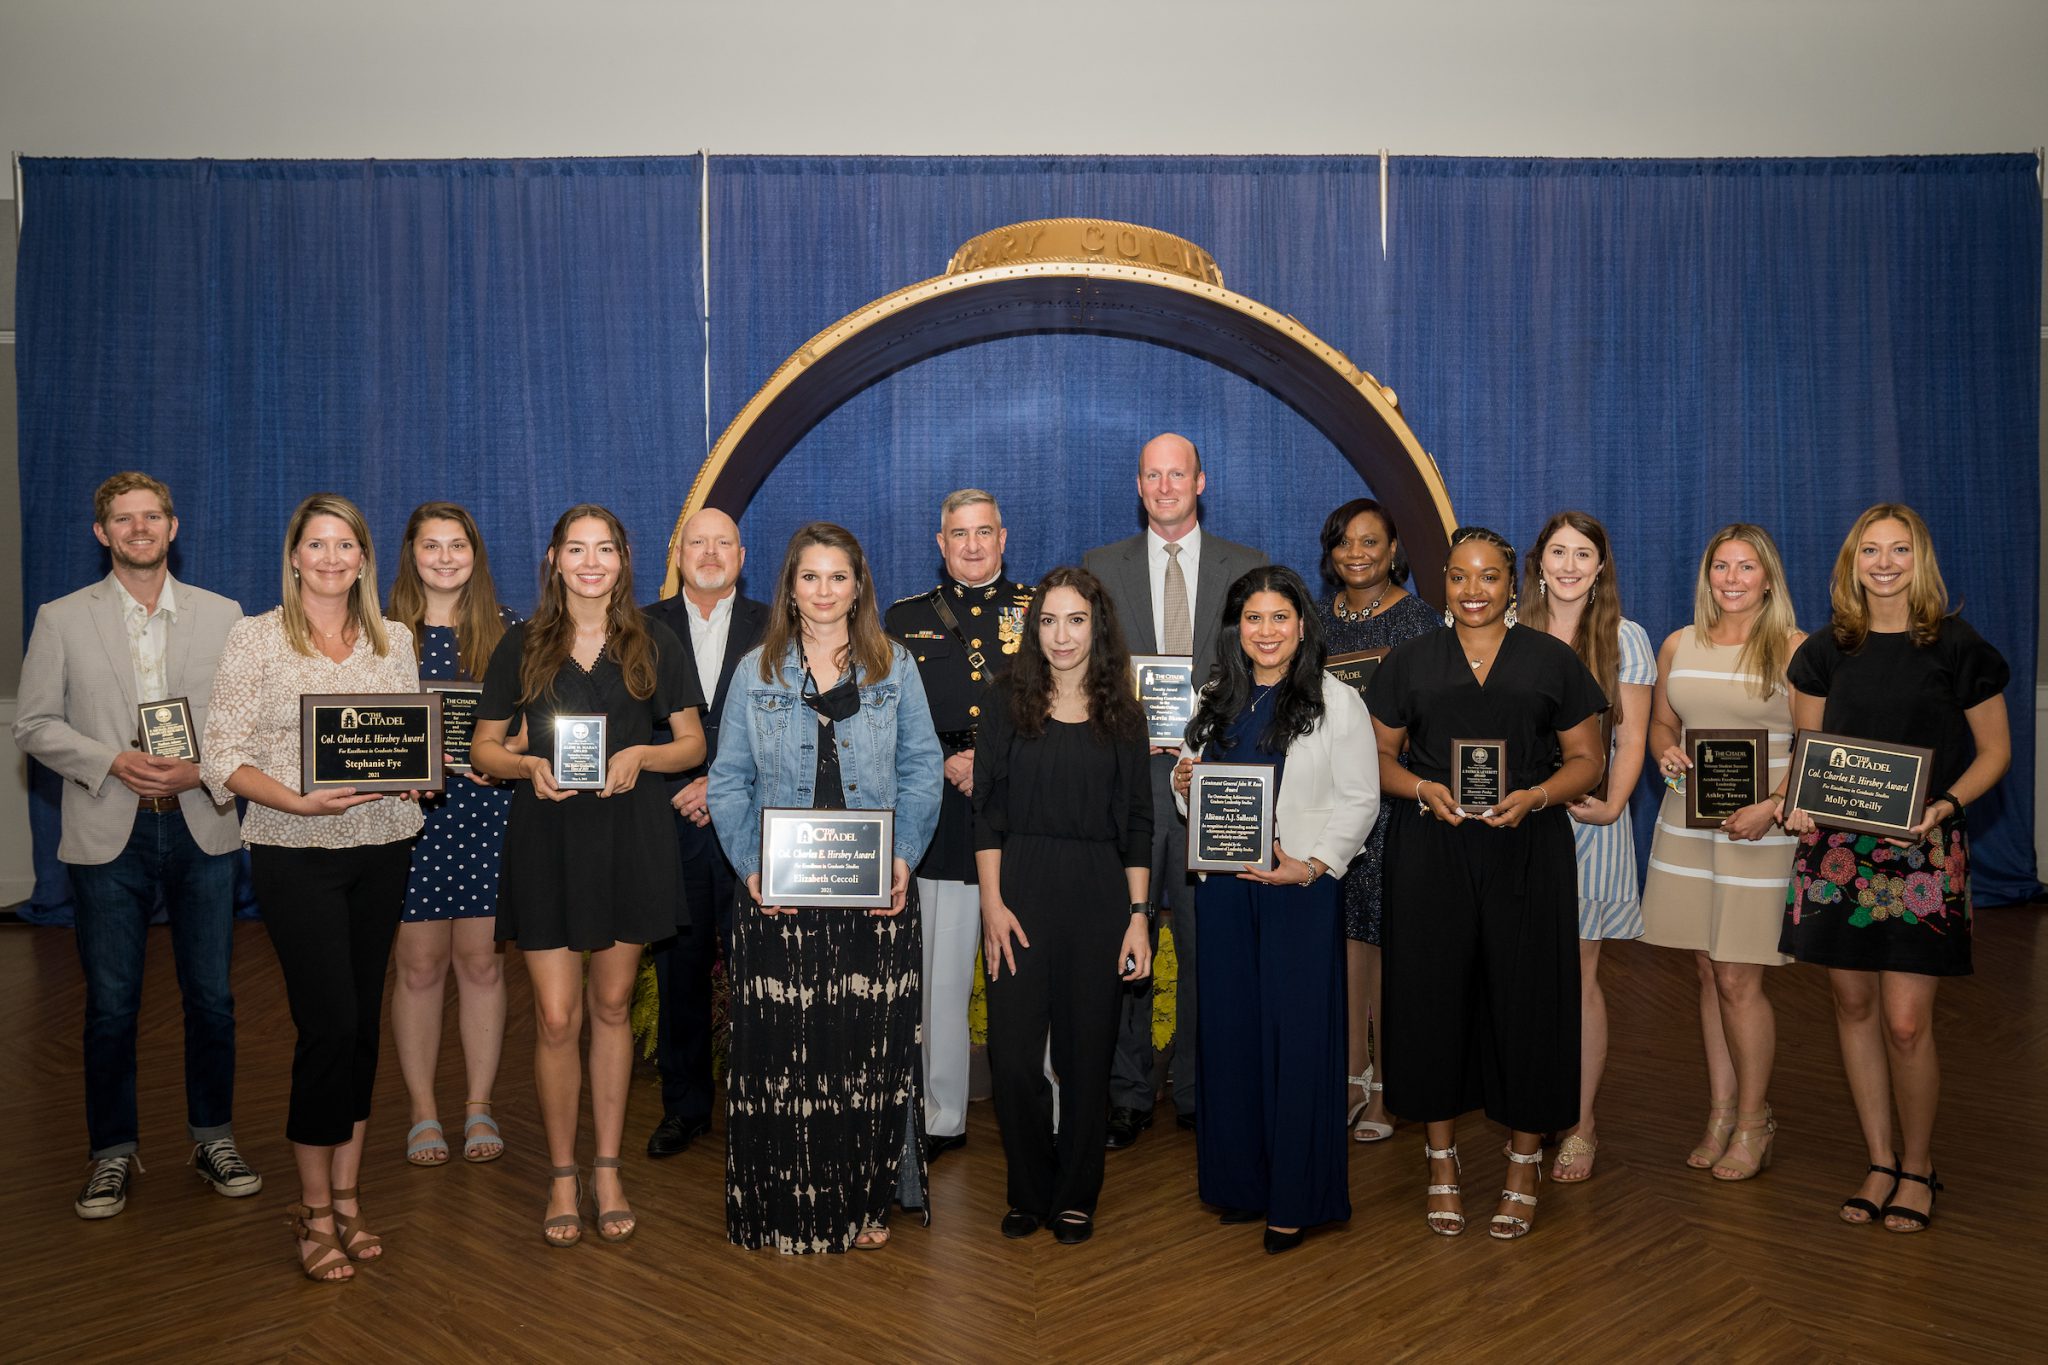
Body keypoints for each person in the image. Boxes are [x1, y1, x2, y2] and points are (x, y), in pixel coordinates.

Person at [15, 472, 258, 1220]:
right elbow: (33, 725)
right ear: (102, 534)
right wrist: (112, 759)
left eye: (152, 516)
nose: (139, 528)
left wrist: (203, 767)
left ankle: (211, 1134)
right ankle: (111, 1151)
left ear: (173, 527)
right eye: (124, 519)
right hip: (108, 825)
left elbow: (248, 721)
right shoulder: (61, 619)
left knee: (212, 999)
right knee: (112, 1005)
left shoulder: (226, 616)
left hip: (202, 821)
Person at [201, 493, 424, 1282]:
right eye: (317, 544)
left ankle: (351, 1195)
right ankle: (312, 1208)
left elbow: (402, 739)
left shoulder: (394, 638)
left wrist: (417, 776)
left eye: (346, 545)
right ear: (294, 554)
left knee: (363, 1027)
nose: (332, 558)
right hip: (293, 849)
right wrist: (296, 798)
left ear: (364, 558)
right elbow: (219, 753)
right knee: (327, 1025)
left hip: (383, 847)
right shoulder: (254, 638)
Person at [470, 504, 706, 1247]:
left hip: (630, 838)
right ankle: (562, 1174)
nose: (591, 561)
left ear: (623, 559)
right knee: (555, 1017)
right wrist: (524, 765)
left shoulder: (655, 640)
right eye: (577, 548)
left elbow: (692, 742)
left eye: (605, 548)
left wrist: (642, 755)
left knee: (610, 1011)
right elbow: (483, 749)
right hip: (547, 839)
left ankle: (607, 1168)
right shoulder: (523, 643)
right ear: (554, 559)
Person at [708, 522, 944, 1254]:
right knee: (784, 1055)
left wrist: (903, 859)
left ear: (858, 584)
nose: (823, 590)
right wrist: (752, 870)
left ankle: (866, 1199)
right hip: (779, 900)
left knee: (864, 1057)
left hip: (875, 898)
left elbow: (923, 768)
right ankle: (783, 1206)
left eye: (837, 576)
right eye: (809, 576)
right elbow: (728, 781)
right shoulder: (756, 671)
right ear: (790, 586)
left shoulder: (895, 666)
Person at [1366, 527, 1606, 1240]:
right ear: (1445, 580)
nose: (1475, 590)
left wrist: (1536, 795)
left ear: (1513, 584)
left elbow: (1588, 758)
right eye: (1461, 577)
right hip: (1429, 846)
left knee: (1529, 1001)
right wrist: (1418, 787)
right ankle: (1441, 1160)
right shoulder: (1408, 660)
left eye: (1490, 577)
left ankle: (1523, 1162)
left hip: (1526, 846)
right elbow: (1377, 753)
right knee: (1431, 999)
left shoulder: (1551, 660)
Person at [1780, 504, 2010, 1233]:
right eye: (1870, 550)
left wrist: (1942, 806)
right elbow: (1809, 759)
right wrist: (1796, 803)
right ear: (1851, 562)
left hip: (1921, 853)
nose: (1884, 562)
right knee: (1852, 1008)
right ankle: (1878, 1159)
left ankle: (1918, 1165)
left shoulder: (1959, 647)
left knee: (1907, 1023)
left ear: (1921, 559)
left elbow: (1996, 754)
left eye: (1899, 549)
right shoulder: (1821, 653)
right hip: (1836, 857)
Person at [1171, 565, 1378, 1254]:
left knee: (1296, 1042)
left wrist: (1312, 863)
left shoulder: (1334, 700)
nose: (1266, 632)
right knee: (1231, 1035)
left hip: (1297, 890)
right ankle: (1243, 1183)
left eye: (1279, 618)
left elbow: (1360, 799)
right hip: (1226, 891)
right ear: (1236, 628)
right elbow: (1197, 797)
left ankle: (1296, 1195)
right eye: (1253, 619)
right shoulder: (1215, 695)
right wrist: (1181, 782)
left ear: (1301, 625)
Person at [1083, 432, 1266, 1146]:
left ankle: (1195, 1085)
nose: (1165, 486)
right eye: (1152, 476)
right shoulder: (1101, 567)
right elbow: (1082, 667)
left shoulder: (1246, 568)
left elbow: (1264, 669)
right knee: (1128, 939)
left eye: (1177, 474)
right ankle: (1128, 1090)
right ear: (1139, 485)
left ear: (1201, 481)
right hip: (1127, 782)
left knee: (1203, 943)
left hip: (1215, 786)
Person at [974, 567, 1153, 1245]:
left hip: (1100, 893)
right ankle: (1029, 1185)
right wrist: (992, 902)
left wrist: (1138, 915)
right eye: (1048, 620)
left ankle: (1076, 1191)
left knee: (1086, 1055)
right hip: (1018, 887)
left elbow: (1139, 821)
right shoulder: (1004, 702)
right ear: (1033, 629)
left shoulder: (1123, 713)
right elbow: (986, 814)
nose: (1062, 634)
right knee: (1015, 1058)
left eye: (1076, 619)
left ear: (1097, 626)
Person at [1640, 525, 1804, 1183]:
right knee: (1708, 972)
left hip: (1762, 831)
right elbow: (1660, 722)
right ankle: (1721, 1109)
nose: (1732, 579)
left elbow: (1820, 745)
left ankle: (1756, 1118)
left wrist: (1772, 804)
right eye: (1720, 567)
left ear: (1769, 577)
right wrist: (1663, 752)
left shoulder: (1796, 649)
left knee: (1740, 977)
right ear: (1706, 575)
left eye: (1746, 567)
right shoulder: (1679, 642)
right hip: (1688, 825)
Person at [887, 489, 1035, 1165]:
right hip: (942, 816)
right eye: (958, 534)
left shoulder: (1041, 611)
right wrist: (949, 761)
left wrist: (995, 762)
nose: (972, 545)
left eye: (983, 532)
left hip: (1021, 813)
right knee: (940, 979)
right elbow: (892, 716)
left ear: (1003, 538)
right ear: (939, 542)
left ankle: (1037, 1107)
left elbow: (1060, 708)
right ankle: (942, 1115)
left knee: (1028, 976)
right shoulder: (904, 617)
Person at [1520, 511, 1654, 1182]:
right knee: (1522, 973)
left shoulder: (1625, 638)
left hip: (1589, 823)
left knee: (1578, 972)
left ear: (1601, 566)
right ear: (1537, 562)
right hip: (1517, 823)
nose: (1569, 564)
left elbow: (1631, 738)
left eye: (1583, 553)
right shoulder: (1508, 632)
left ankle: (1581, 1122)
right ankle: (1533, 1106)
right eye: (1557, 551)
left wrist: (1615, 802)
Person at [385, 502, 515, 1167]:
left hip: (489, 815)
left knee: (483, 962)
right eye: (430, 544)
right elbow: (360, 733)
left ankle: (478, 1105)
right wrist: (410, 760)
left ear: (475, 553)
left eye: (456, 544)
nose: (443, 556)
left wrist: (503, 751)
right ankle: (422, 1109)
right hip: (412, 819)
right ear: (410, 553)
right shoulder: (378, 635)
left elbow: (538, 727)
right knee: (419, 965)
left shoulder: (511, 632)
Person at [1313, 496, 1440, 1144]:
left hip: (1394, 804)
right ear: (1330, 553)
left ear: (1395, 550)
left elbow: (1437, 719)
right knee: (1342, 939)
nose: (1356, 553)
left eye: (1370, 542)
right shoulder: (1311, 621)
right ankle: (1350, 1074)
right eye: (1344, 543)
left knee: (1388, 939)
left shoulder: (1422, 623)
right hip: (1324, 804)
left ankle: (1389, 1085)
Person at [641, 507, 767, 1159]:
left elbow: (795, 727)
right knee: (679, 973)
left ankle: (755, 1105)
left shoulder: (778, 625)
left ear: (742, 556)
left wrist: (722, 785)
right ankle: (684, 1107)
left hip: (752, 827)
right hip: (671, 824)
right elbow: (630, 724)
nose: (711, 552)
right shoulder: (638, 626)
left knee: (758, 974)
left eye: (723, 543)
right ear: (677, 551)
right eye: (698, 541)